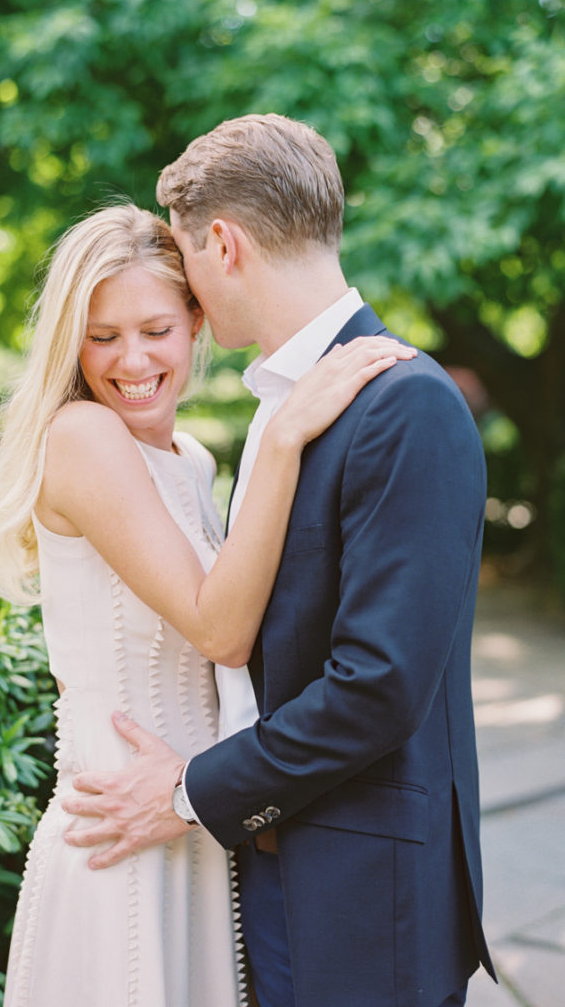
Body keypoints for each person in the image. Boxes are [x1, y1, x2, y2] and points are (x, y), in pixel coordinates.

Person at [61, 116, 497, 1007]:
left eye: (184, 264)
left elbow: (376, 686)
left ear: (222, 243)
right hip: (262, 869)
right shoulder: (279, 406)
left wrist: (189, 794)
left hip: (362, 900)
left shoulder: (403, 405)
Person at [0, 202, 413, 1007]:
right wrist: (283, 437)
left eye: (155, 329)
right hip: (122, 829)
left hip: (195, 816)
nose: (131, 359)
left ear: (196, 323)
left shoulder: (190, 457)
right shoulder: (82, 436)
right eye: (101, 336)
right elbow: (221, 630)